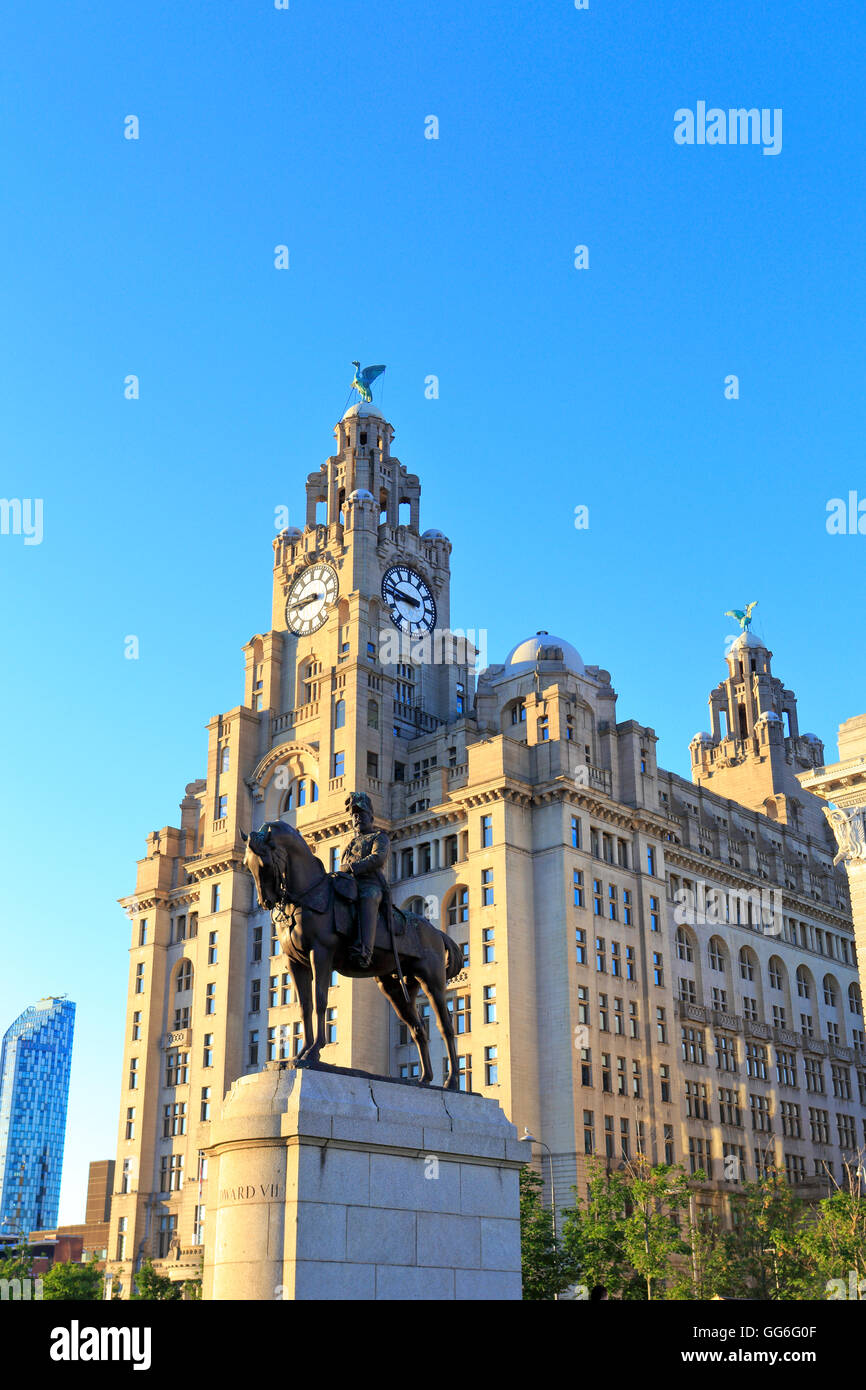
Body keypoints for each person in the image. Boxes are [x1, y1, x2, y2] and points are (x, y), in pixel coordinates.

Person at [340, 791, 390, 968]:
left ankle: (365, 950)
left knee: (367, 898)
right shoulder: (350, 843)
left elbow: (378, 858)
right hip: (349, 884)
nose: (357, 818)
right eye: (354, 815)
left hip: (371, 884)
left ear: (371, 816)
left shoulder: (379, 837)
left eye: (361, 814)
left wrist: (353, 868)